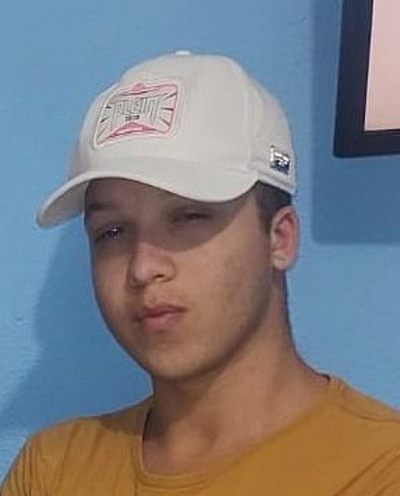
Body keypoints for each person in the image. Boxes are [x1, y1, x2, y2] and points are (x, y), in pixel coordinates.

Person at [1, 51, 400, 496]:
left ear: (280, 238)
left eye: (189, 216)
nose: (143, 267)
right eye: (112, 232)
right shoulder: (53, 469)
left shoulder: (378, 470)